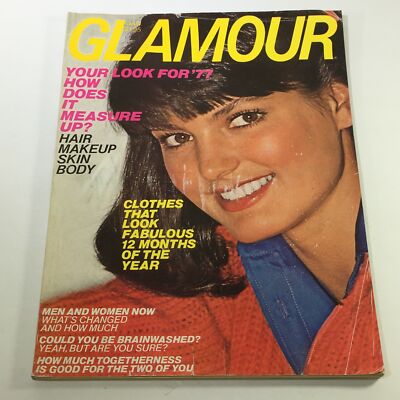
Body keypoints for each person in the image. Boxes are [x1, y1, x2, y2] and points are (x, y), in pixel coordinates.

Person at [35, 11, 383, 377]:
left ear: (338, 103)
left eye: (244, 118)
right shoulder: (216, 283)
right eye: (177, 138)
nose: (211, 167)